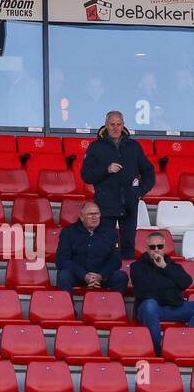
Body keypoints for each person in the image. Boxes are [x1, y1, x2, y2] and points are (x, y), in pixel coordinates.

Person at [80, 111, 155, 259]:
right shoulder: (95, 147)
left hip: (129, 205)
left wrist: (139, 192)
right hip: (105, 206)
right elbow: (86, 175)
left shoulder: (134, 147)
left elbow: (149, 172)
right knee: (105, 246)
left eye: (118, 124)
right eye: (112, 124)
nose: (115, 127)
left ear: (123, 125)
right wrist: (106, 170)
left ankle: (126, 279)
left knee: (128, 246)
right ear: (106, 125)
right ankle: (107, 280)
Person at [130, 234, 194, 356]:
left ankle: (188, 343)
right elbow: (143, 290)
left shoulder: (172, 265)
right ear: (147, 248)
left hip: (172, 307)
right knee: (150, 304)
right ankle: (157, 350)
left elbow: (186, 282)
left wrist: (165, 267)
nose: (156, 250)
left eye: (160, 246)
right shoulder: (137, 266)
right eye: (152, 247)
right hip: (149, 309)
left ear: (164, 247)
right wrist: (171, 284)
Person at [55, 201, 127, 293]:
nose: (94, 217)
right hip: (78, 275)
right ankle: (68, 307)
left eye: (97, 214)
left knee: (120, 276)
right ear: (81, 217)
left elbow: (116, 260)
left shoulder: (110, 232)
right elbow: (62, 260)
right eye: (90, 214)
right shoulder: (68, 232)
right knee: (64, 276)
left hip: (102, 276)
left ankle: (114, 307)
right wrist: (84, 275)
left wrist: (100, 276)